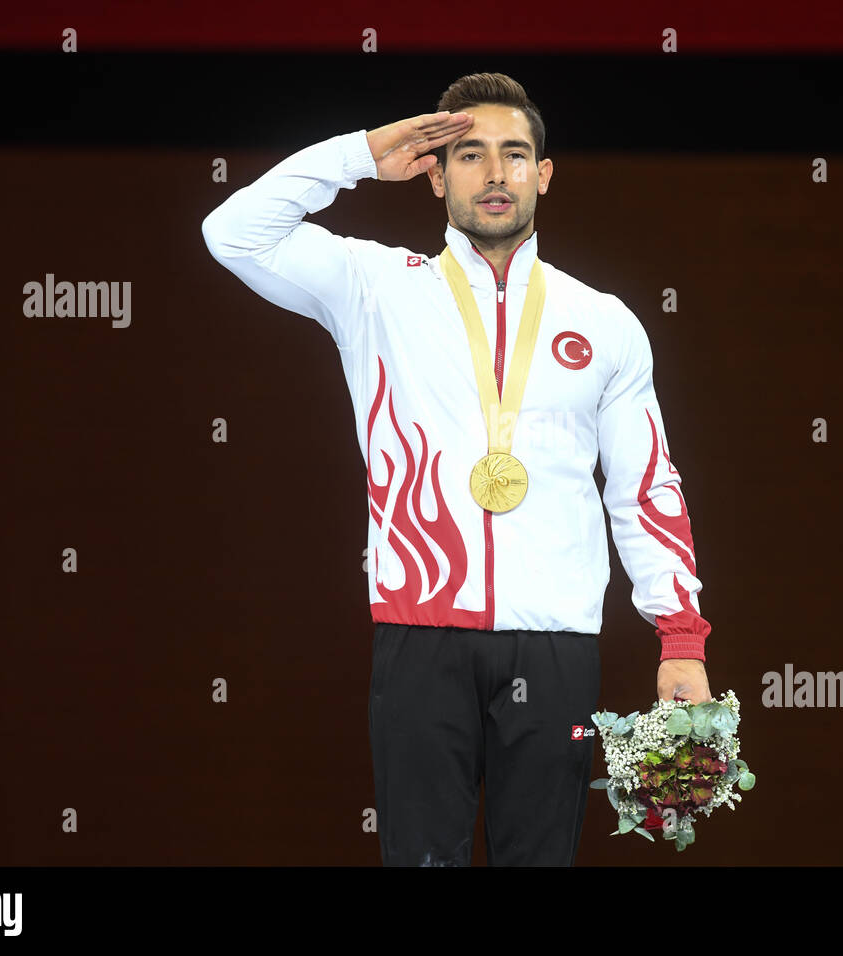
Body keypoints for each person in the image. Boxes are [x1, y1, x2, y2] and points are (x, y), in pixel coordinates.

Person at [201, 72, 714, 866]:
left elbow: (645, 486)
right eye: (469, 155)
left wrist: (680, 635)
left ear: (544, 174)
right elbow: (232, 232)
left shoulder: (604, 322)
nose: (496, 173)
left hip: (557, 645)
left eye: (515, 154)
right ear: (434, 174)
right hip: (420, 637)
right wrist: (361, 154)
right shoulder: (373, 288)